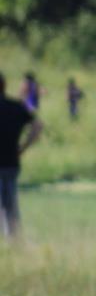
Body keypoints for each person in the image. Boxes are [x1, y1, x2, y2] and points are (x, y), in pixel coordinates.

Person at [0, 75, 43, 242]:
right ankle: (14, 241)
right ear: (4, 86)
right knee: (10, 205)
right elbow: (38, 125)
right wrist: (24, 147)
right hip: (11, 162)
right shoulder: (17, 107)